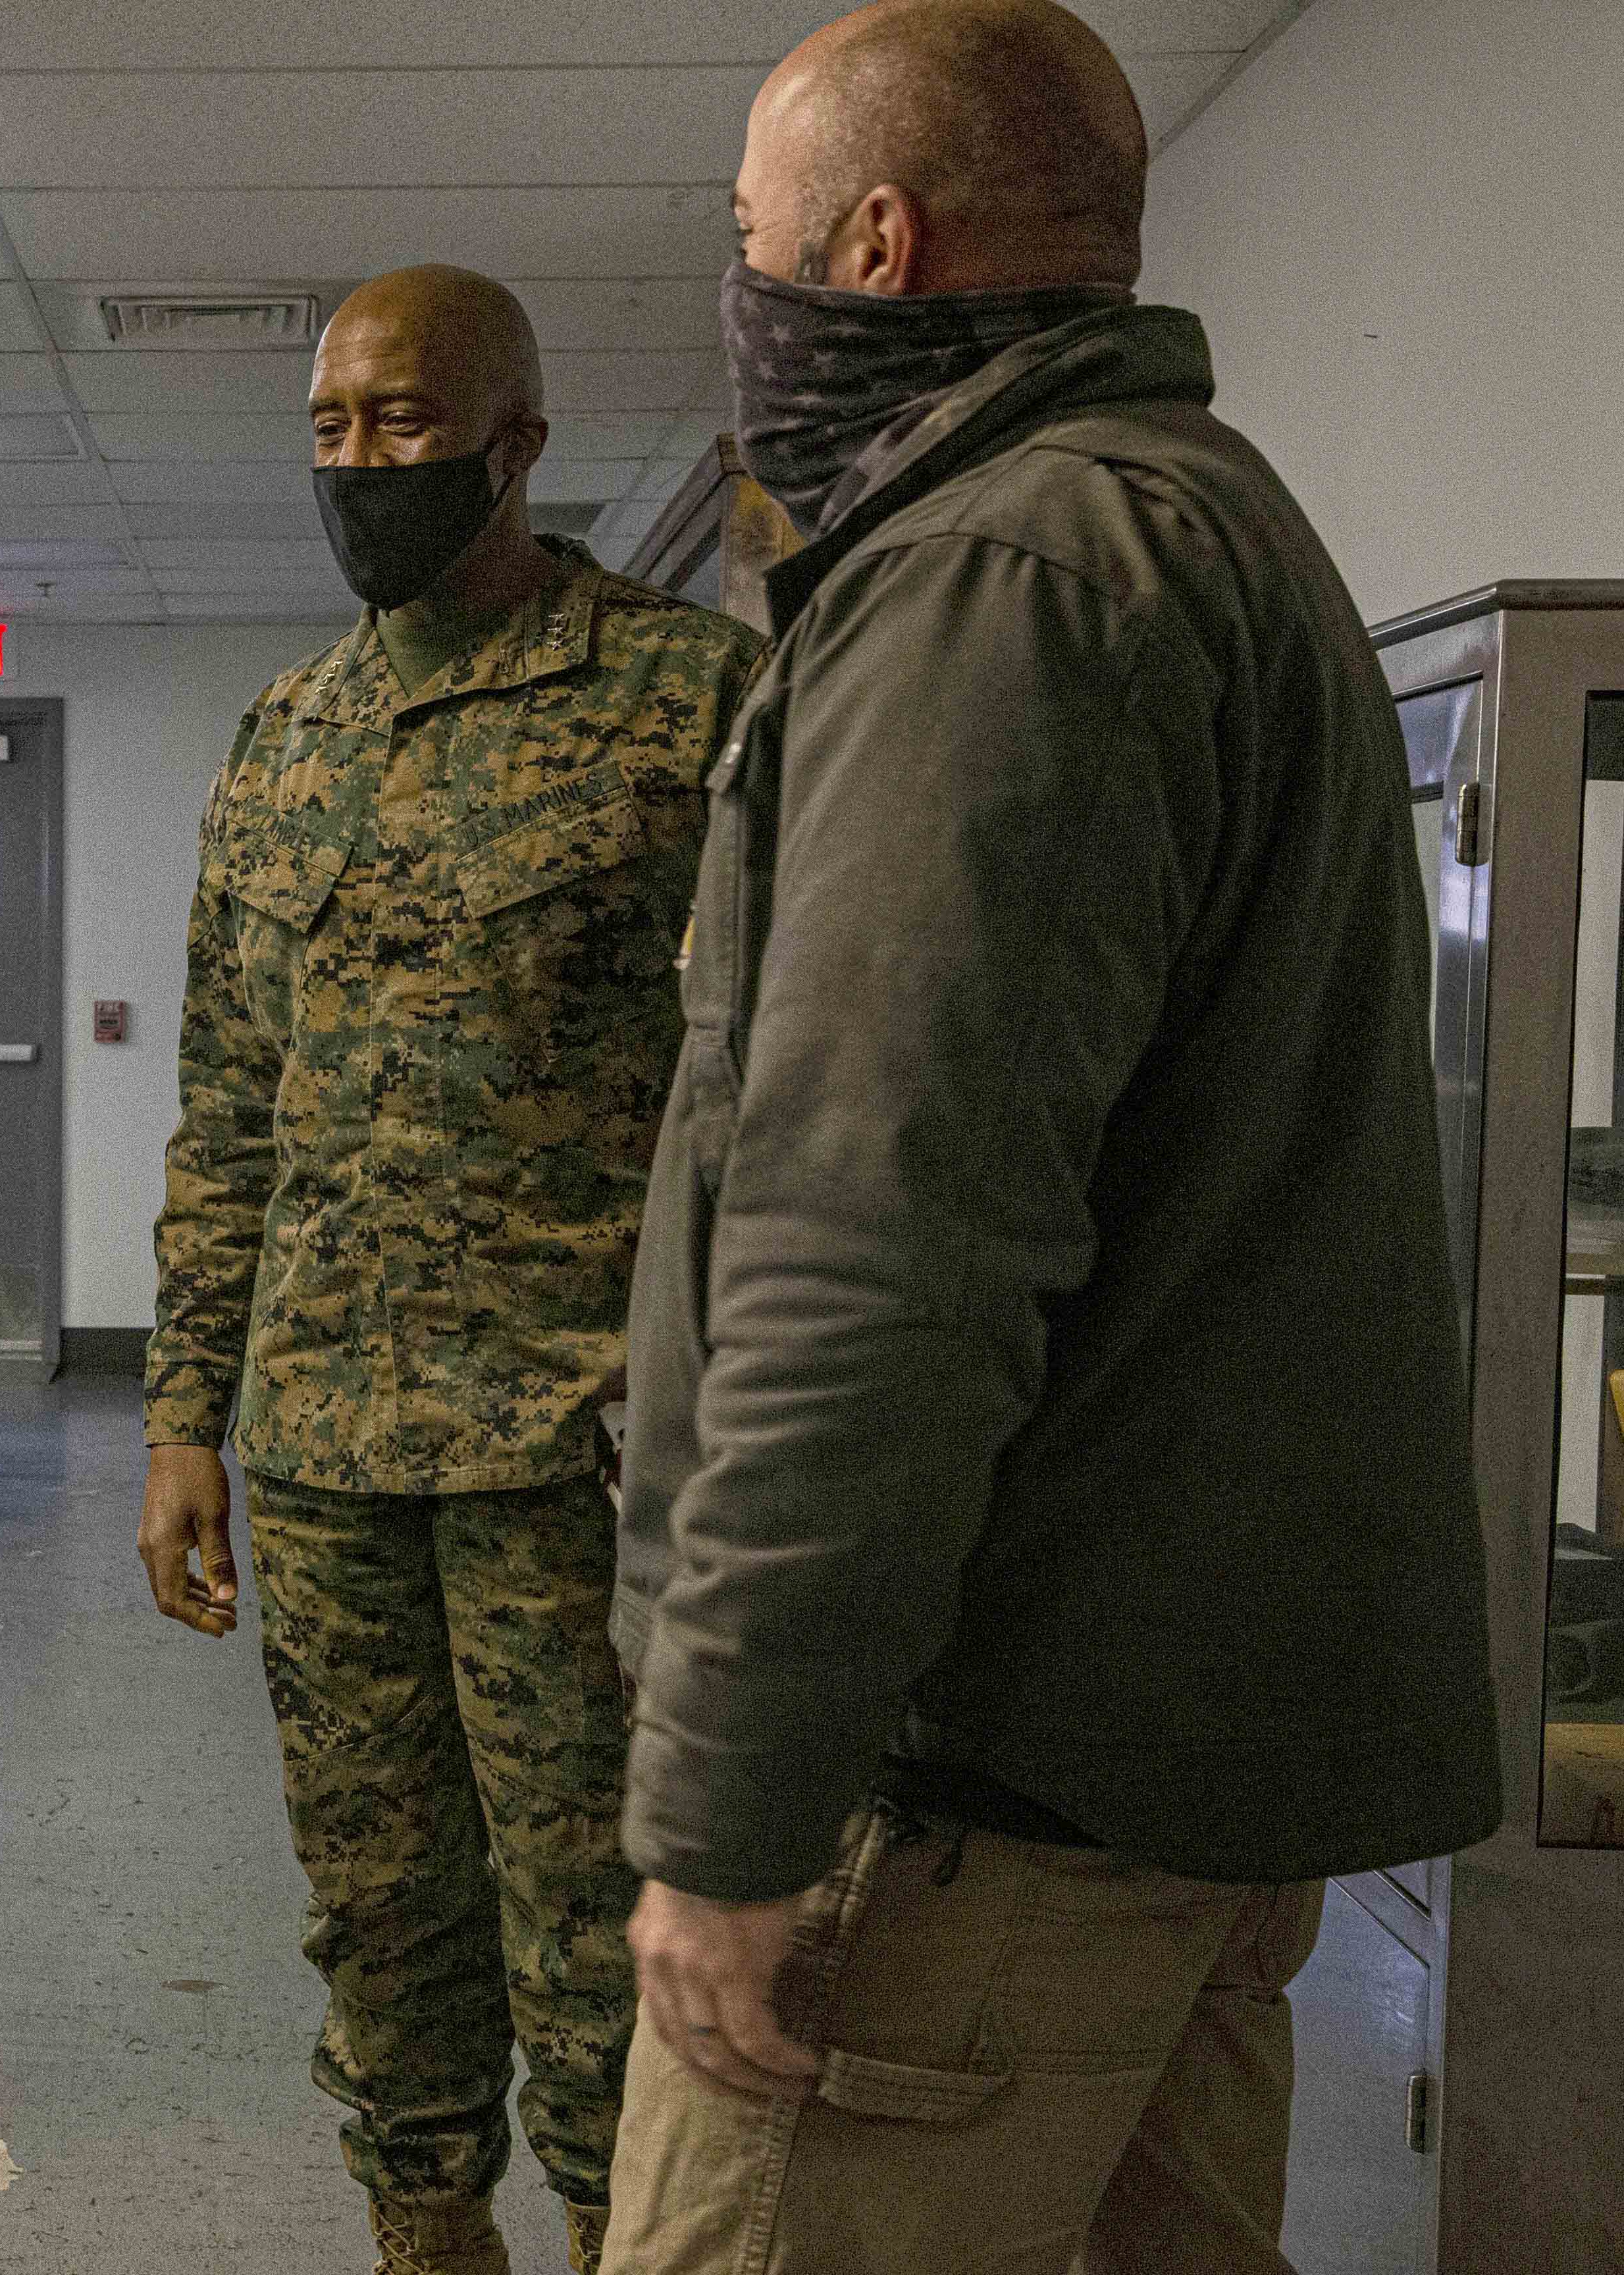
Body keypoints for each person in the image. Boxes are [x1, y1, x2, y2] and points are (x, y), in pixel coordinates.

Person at [605, 4, 1501, 2270]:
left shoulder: (1007, 583)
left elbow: (876, 1250)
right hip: (1169, 1773)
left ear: (874, 243)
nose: (741, 303)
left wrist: (727, 1812)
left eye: (750, 246)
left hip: (972, 1795)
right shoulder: (1203, 523)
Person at [143, 264, 769, 2275]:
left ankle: (620, 2239)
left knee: (598, 1915)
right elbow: (229, 1105)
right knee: (379, 1902)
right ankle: (427, 2234)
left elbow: (778, 1098)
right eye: (328, 427)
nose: (357, 463)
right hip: (324, 1454)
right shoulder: (285, 738)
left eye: (400, 423)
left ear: (517, 439)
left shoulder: (688, 702)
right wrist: (183, 1416)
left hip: (569, 1453)